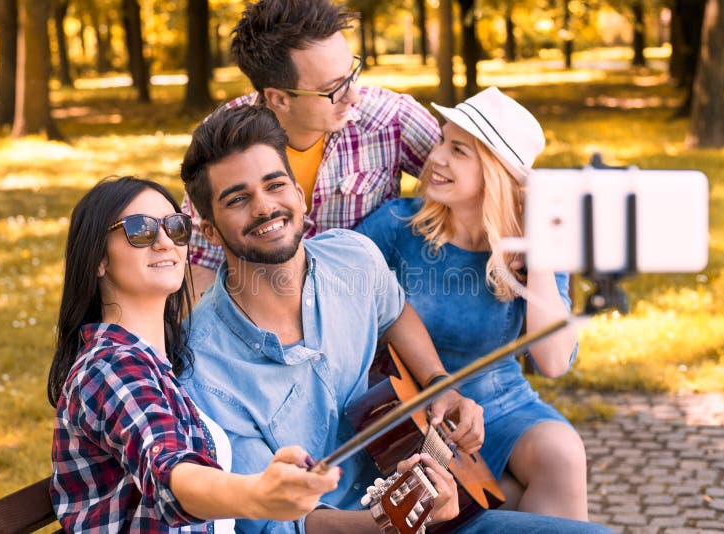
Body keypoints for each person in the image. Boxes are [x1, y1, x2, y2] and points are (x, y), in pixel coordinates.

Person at [179, 104, 611, 533]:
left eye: (275, 185)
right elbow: (272, 522)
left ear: (299, 192)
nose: (264, 207)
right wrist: (387, 522)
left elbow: (393, 310)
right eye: (237, 199)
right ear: (210, 230)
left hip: (429, 466)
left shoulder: (351, 257)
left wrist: (438, 382)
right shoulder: (205, 367)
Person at [47, 176, 341, 532]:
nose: (164, 242)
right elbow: (169, 469)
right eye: (139, 230)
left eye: (175, 226)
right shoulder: (111, 366)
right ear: (98, 260)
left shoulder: (160, 362)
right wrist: (259, 493)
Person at [355, 87, 589, 520]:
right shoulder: (397, 225)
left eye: (458, 150)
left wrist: (540, 252)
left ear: (497, 173)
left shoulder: (534, 245)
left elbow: (554, 362)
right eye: (442, 141)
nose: (436, 157)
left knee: (563, 454)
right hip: (409, 407)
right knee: (489, 502)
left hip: (500, 402)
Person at [180, 0, 441, 302]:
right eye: (334, 88)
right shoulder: (221, 144)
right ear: (278, 98)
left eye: (352, 72)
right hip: (267, 314)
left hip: (372, 308)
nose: (354, 95)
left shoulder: (391, 118)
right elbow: (202, 260)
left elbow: (477, 182)